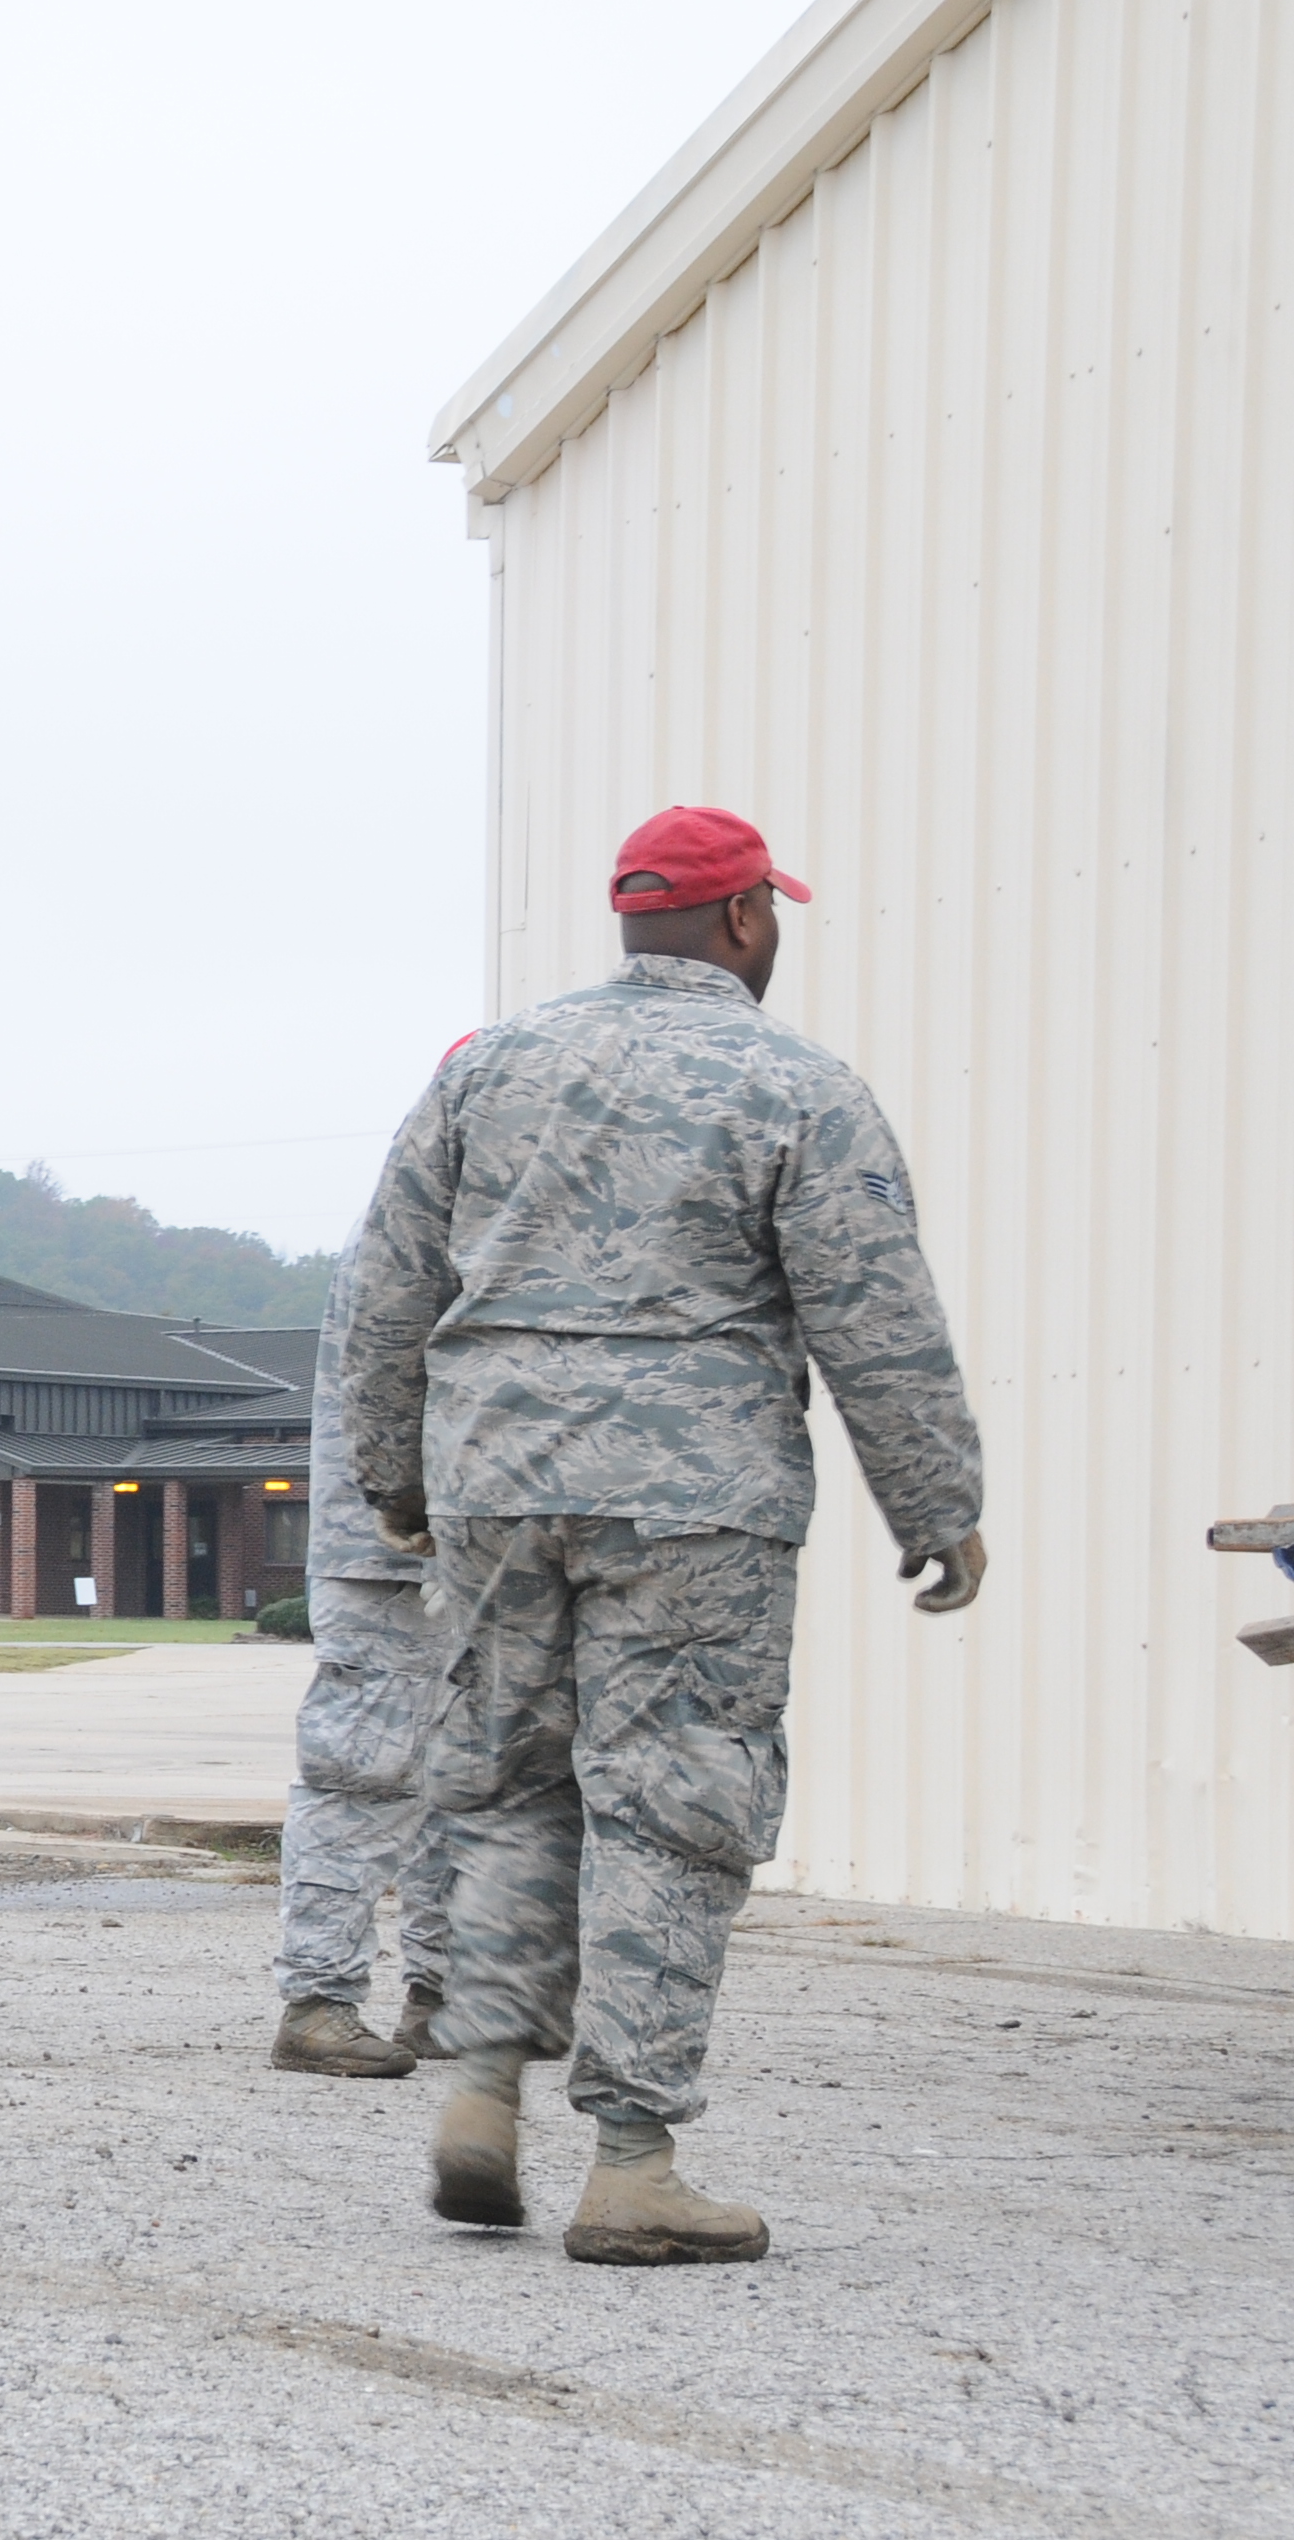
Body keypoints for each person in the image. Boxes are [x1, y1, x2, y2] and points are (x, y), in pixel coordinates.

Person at [341, 805, 987, 2264]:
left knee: (509, 1788)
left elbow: (382, 1293)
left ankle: (485, 2090)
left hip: (495, 1483)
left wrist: (398, 1475)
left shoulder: (487, 1069)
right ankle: (631, 2162)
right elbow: (876, 1316)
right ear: (747, 919)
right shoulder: (798, 1086)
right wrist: (937, 1504)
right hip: (695, 1501)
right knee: (672, 1802)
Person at [270, 1190, 457, 2075]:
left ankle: (448, 1997)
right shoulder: (418, 1220)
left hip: (477, 1548)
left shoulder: (508, 1204)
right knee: (363, 1774)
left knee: (466, 1781)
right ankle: (318, 2003)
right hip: (391, 1549)